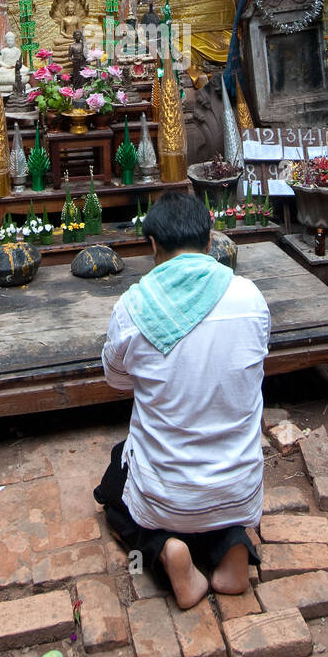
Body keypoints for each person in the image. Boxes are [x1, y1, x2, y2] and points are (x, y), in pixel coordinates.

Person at [94, 192, 271, 609]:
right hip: (239, 493)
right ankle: (232, 544)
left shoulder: (133, 308)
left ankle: (165, 552)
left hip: (165, 498)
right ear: (210, 242)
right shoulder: (250, 299)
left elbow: (116, 380)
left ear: (152, 245)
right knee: (211, 497)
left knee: (112, 492)